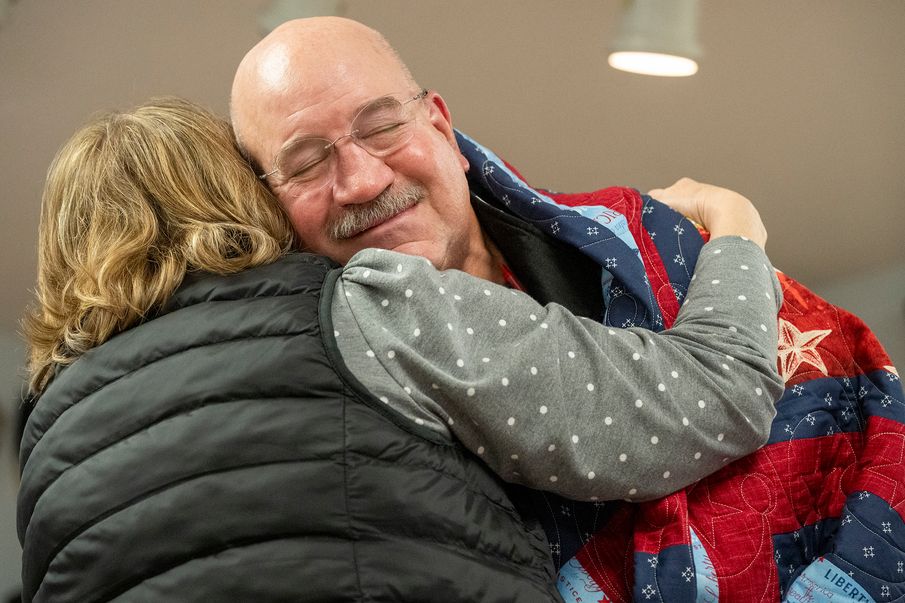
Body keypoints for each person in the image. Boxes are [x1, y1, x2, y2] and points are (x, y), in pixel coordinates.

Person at [17, 97, 782, 602]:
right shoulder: (360, 304)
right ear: (238, 193)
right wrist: (736, 227)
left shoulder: (45, 442)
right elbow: (709, 397)